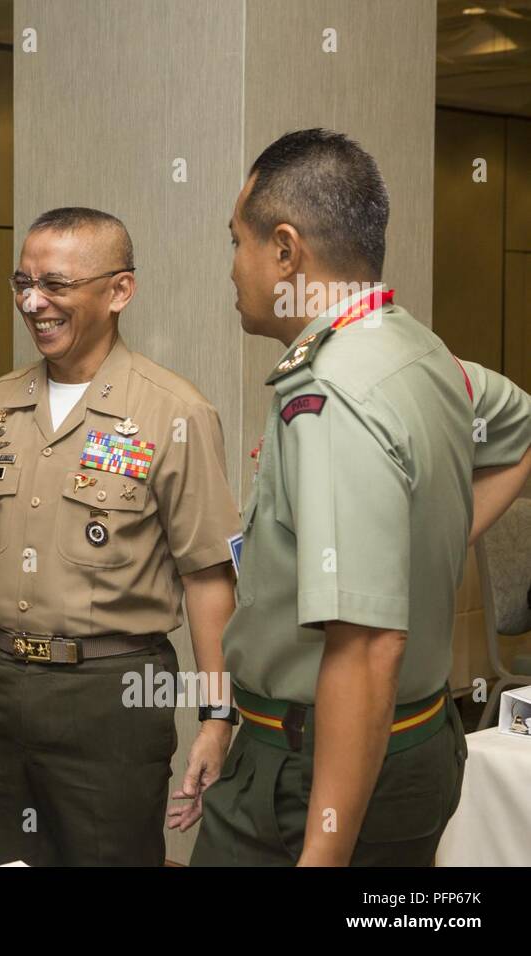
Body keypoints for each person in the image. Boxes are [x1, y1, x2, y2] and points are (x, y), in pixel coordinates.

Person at [190, 129, 531, 866]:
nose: (232, 268)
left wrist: (324, 850)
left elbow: (370, 645)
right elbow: (518, 431)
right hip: (416, 743)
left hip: (317, 767)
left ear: (285, 252)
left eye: (236, 242)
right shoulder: (422, 354)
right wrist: (427, 542)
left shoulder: (333, 391)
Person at [0, 207, 241, 866]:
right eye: (21, 282)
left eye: (55, 285)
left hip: (112, 692)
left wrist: (217, 717)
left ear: (119, 291)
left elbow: (207, 576)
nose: (33, 302)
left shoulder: (174, 413)